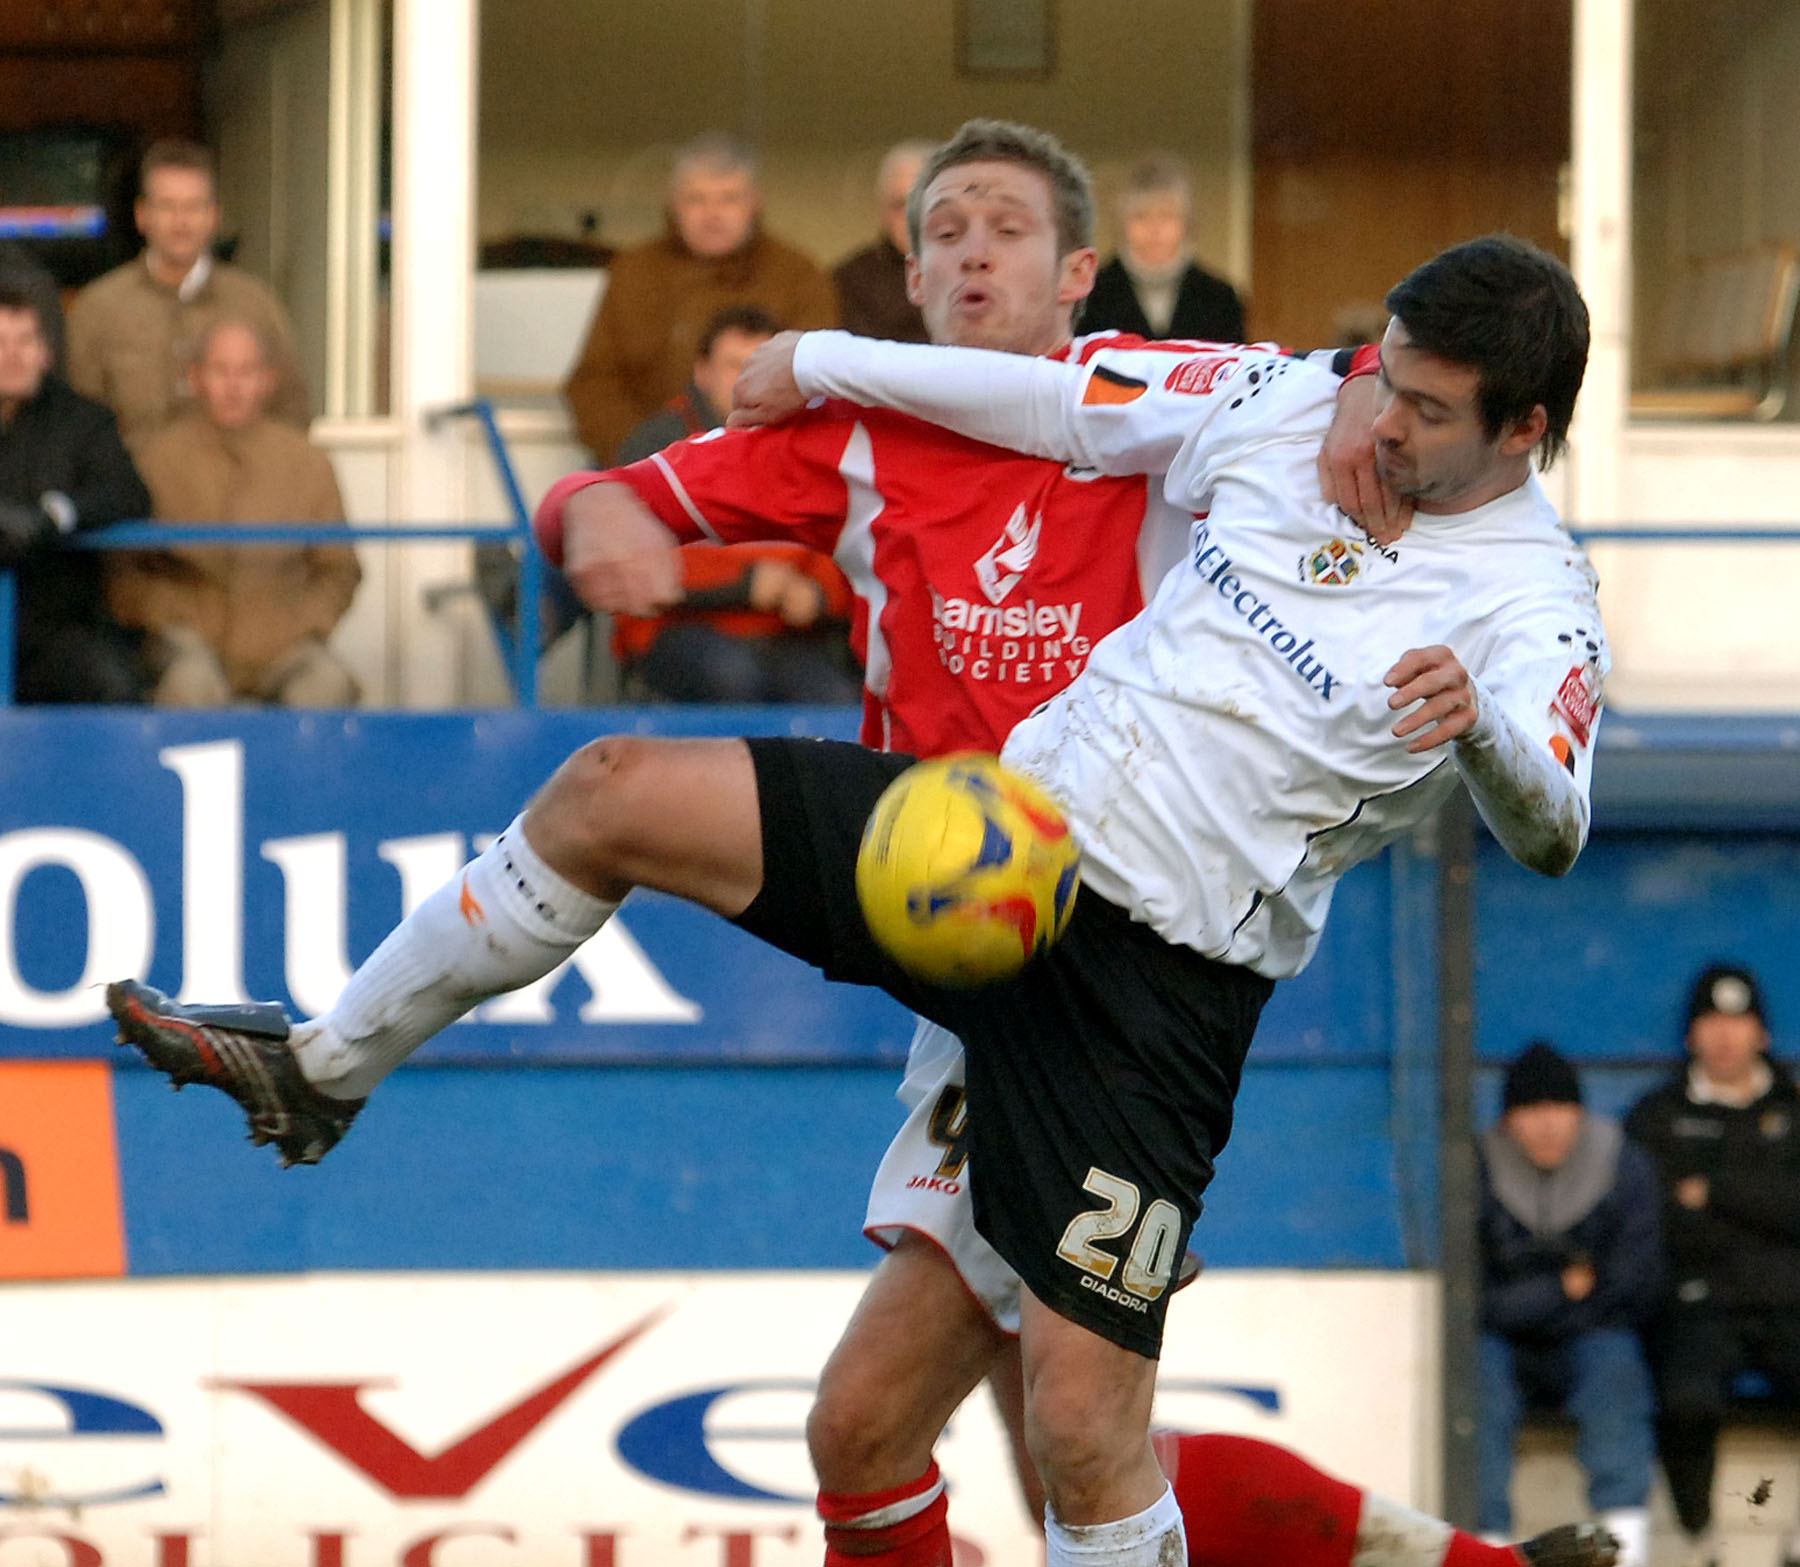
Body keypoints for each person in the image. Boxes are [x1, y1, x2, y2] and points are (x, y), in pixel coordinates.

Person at [110, 227, 1606, 1567]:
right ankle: (319, 1070)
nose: (1382, 413)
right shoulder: (1292, 399)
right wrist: (824, 354)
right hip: (998, 848)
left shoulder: (1533, 605)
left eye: (1423, 406)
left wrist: (1476, 721)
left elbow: (1555, 818)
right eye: (1384, 377)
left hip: (1153, 997)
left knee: (1056, 1437)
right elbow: (1051, 396)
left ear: (1523, 430)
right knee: (612, 786)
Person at [1625, 964, 1800, 1567]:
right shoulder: (1656, 1114)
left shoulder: (1794, 1106)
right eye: (1711, 1022)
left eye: (1739, 1022)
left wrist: (1715, 1192)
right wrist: (1767, 1209)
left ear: (1763, 1035)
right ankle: (1701, 1542)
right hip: (1698, 1301)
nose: (1726, 1037)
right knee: (1687, 1399)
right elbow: (1657, 1221)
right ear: (1690, 1036)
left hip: (1790, 1300)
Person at [105, 318, 360, 707]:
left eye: (247, 371)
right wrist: (172, 618)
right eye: (220, 371)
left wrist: (301, 624)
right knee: (189, 690)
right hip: (187, 642)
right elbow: (124, 572)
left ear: (268, 380)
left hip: (287, 644)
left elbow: (339, 568)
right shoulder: (158, 461)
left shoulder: (307, 463)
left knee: (325, 689)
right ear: (195, 378)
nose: (234, 386)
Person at [1477, 1041, 1660, 1567]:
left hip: (1593, 1335)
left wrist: (1532, 1302)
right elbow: (1472, 1301)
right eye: (1530, 1111)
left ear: (1580, 1111)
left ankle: (1624, 1550)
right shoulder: (1478, 1165)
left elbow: (1633, 1287)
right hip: (1503, 1343)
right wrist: (1561, 1289)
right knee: (1476, 1376)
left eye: (1559, 1109)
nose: (1547, 1125)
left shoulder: (1622, 1164)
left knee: (1615, 1365)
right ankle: (1486, 1549)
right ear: (1509, 1119)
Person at [562, 134, 837, 464]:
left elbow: (816, 386)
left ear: (754, 203)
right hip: (645, 465)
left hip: (765, 469)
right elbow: (594, 383)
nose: (713, 213)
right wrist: (642, 454)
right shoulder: (634, 273)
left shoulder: (797, 276)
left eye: (729, 198)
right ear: (673, 204)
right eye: (696, 199)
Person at [66, 139, 310, 451]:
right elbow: (77, 423)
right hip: (134, 491)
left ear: (213, 216)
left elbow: (292, 411)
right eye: (167, 206)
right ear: (142, 215)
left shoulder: (255, 304)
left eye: (193, 207)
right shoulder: (99, 308)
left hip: (234, 491)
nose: (181, 222)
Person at [0, 284, 152, 703]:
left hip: (56, 627)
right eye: (0, 343)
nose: (12, 355)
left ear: (45, 352)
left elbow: (129, 493)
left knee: (113, 686)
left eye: (25, 341)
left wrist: (55, 515)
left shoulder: (83, 421)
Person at [1079, 155, 1245, 344]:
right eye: (1141, 217)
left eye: (1166, 216)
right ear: (1121, 226)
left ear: (1187, 225)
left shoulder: (1220, 298)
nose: (1154, 230)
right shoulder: (1091, 296)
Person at [831, 140, 934, 343]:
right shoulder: (851, 281)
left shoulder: (973, 270)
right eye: (899, 205)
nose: (910, 218)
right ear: (882, 212)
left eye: (921, 203)